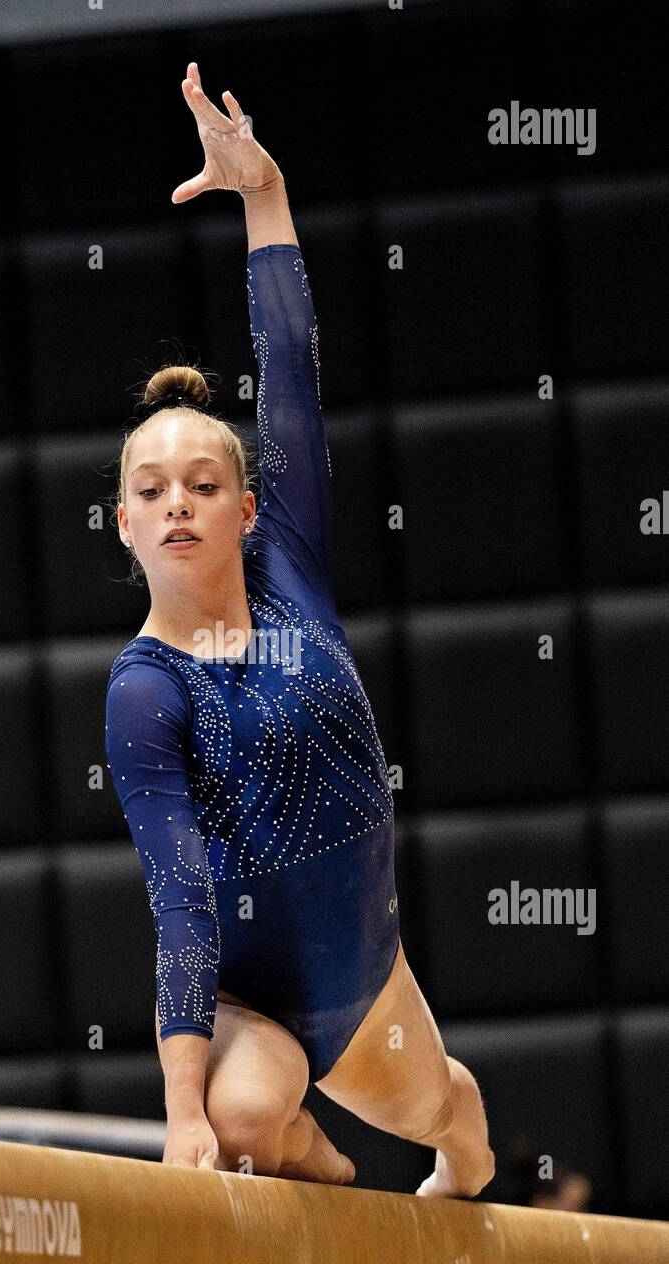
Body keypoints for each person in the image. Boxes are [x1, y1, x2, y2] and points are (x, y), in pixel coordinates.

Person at [105, 62, 495, 1198]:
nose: (177, 500)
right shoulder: (146, 688)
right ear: (124, 522)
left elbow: (289, 372)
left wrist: (261, 194)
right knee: (239, 1123)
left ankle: (460, 1157)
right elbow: (178, 898)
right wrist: (179, 1114)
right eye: (151, 488)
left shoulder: (293, 569)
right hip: (250, 996)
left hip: (360, 977)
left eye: (200, 482)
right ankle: (321, 1174)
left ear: (247, 507)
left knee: (445, 1112)